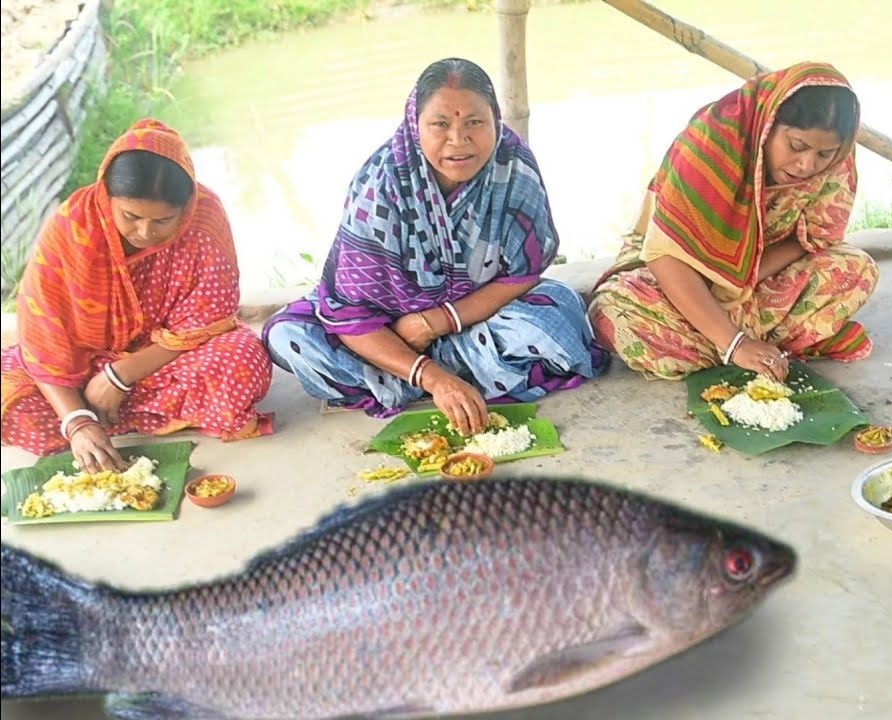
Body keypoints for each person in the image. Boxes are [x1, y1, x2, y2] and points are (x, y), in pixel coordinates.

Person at [263, 58, 606, 434]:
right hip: (387, 331)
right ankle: (443, 377)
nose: (458, 140)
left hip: (475, 318)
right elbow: (350, 315)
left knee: (560, 316)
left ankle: (403, 381)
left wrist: (436, 322)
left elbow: (524, 273)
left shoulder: (514, 167)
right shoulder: (382, 185)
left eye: (474, 122)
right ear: (415, 125)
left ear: (494, 120)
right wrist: (432, 377)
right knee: (290, 338)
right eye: (440, 124)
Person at [0, 119, 274, 473]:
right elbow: (43, 340)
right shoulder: (73, 226)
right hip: (81, 368)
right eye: (131, 216)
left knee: (242, 358)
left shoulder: (204, 218)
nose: (145, 232)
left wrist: (119, 377)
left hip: (164, 359)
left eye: (163, 220)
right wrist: (78, 422)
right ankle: (106, 422)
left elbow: (206, 321)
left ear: (187, 206)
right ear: (106, 196)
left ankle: (118, 415)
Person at [588, 62, 878, 381]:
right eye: (797, 146)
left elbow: (810, 240)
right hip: (675, 277)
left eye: (825, 154)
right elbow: (664, 256)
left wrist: (740, 279)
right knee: (617, 310)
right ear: (767, 124)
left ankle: (727, 345)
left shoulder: (833, 164)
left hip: (752, 280)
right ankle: (748, 346)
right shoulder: (709, 144)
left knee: (856, 269)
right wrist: (733, 341)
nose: (808, 164)